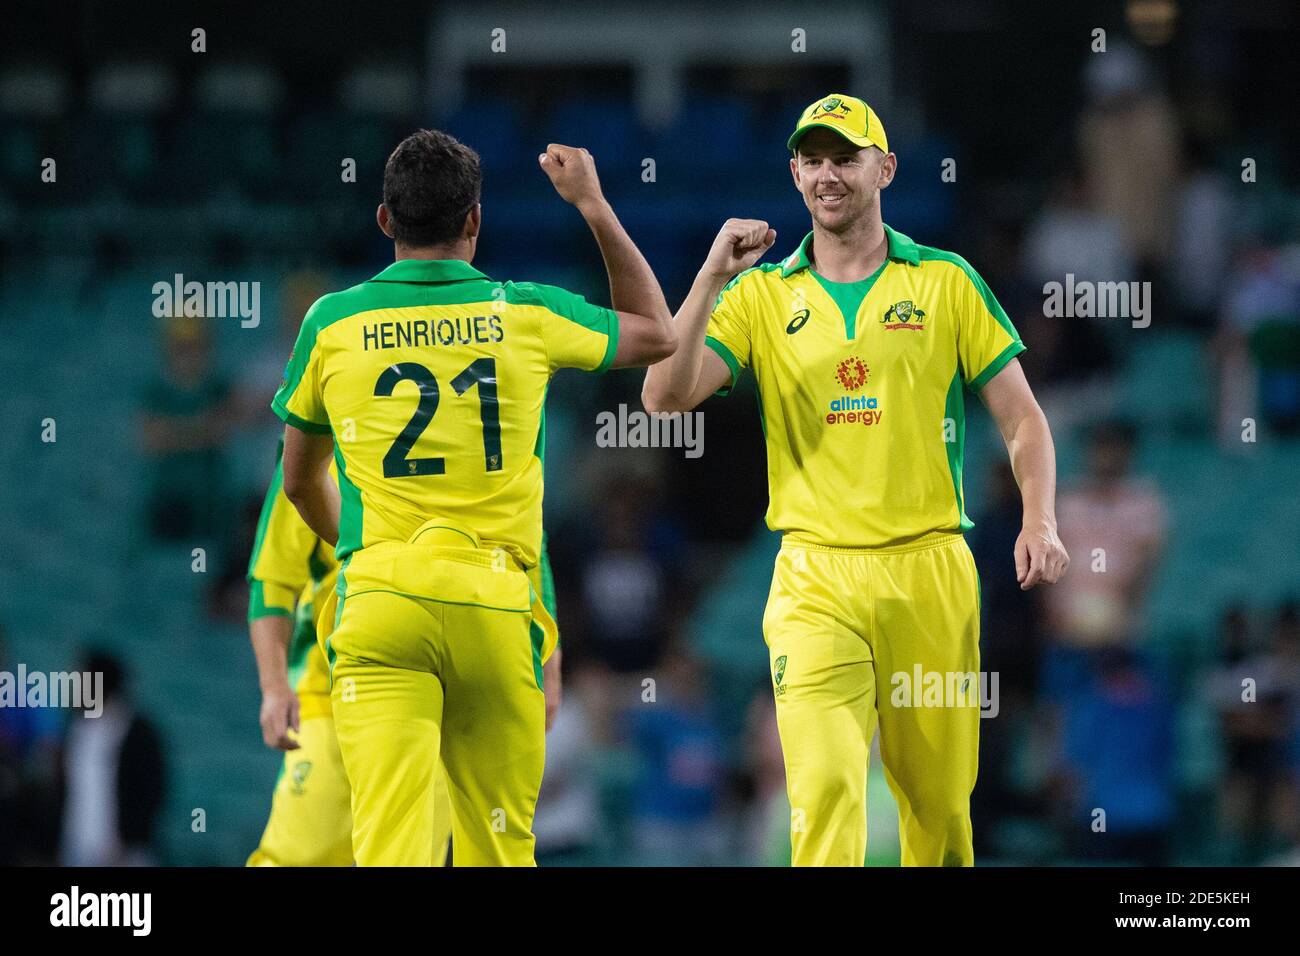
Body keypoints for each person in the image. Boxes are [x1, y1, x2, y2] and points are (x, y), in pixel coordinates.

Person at [643, 93, 1068, 866]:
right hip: (813, 576)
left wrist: (1039, 519)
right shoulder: (761, 295)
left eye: (845, 157)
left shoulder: (946, 283)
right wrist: (708, 277)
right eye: (812, 159)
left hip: (929, 571)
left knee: (937, 812)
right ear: (795, 173)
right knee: (824, 794)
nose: (827, 174)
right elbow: (664, 397)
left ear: (887, 168)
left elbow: (1024, 420)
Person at [273, 129, 675, 865]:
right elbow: (659, 334)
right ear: (475, 221)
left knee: (392, 849)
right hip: (496, 606)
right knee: (499, 849)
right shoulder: (525, 312)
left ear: (386, 221)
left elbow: (299, 480)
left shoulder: (330, 322)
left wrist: (363, 553)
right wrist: (591, 204)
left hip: (379, 604)